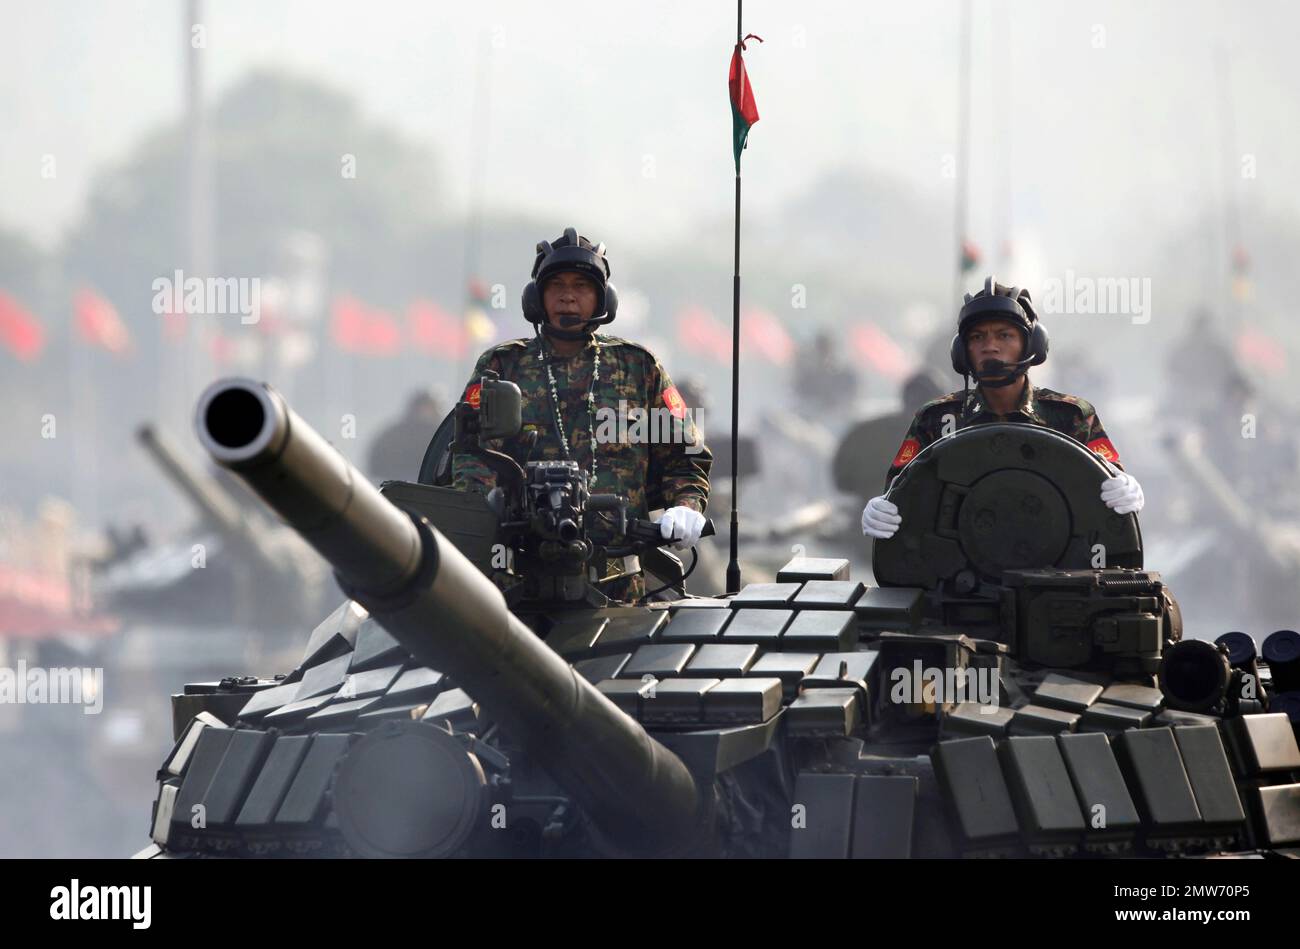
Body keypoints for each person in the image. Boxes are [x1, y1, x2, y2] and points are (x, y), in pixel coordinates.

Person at [452, 228, 712, 600]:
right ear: (536, 298)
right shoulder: (502, 365)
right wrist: (483, 511)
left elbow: (684, 457)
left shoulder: (638, 367)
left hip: (619, 587)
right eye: (556, 285)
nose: (568, 296)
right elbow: (469, 455)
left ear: (603, 298)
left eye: (582, 286)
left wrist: (685, 508)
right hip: (516, 586)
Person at [862, 277, 1144, 540]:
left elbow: (1110, 487)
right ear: (962, 352)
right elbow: (900, 492)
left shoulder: (1071, 416)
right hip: (958, 571)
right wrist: (881, 508)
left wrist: (1125, 488)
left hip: (1056, 566)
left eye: (1004, 335)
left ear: (1031, 344)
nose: (990, 347)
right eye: (977, 338)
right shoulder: (937, 419)